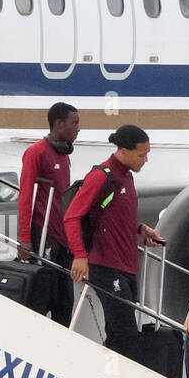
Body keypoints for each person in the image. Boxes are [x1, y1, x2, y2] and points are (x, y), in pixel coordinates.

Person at [63, 124, 164, 354]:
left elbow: (113, 214)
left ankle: (107, 377)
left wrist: (140, 228)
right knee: (126, 335)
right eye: (142, 154)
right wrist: (80, 256)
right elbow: (72, 216)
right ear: (124, 151)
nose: (146, 160)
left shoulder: (126, 177)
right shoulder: (101, 176)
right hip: (107, 266)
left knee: (119, 333)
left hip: (126, 266)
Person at [16, 102, 80, 325]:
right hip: (43, 235)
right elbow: (25, 196)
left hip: (63, 240)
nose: (78, 128)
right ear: (59, 124)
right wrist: (24, 239)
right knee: (43, 299)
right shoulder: (36, 153)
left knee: (65, 304)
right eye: (74, 123)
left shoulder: (64, 156)